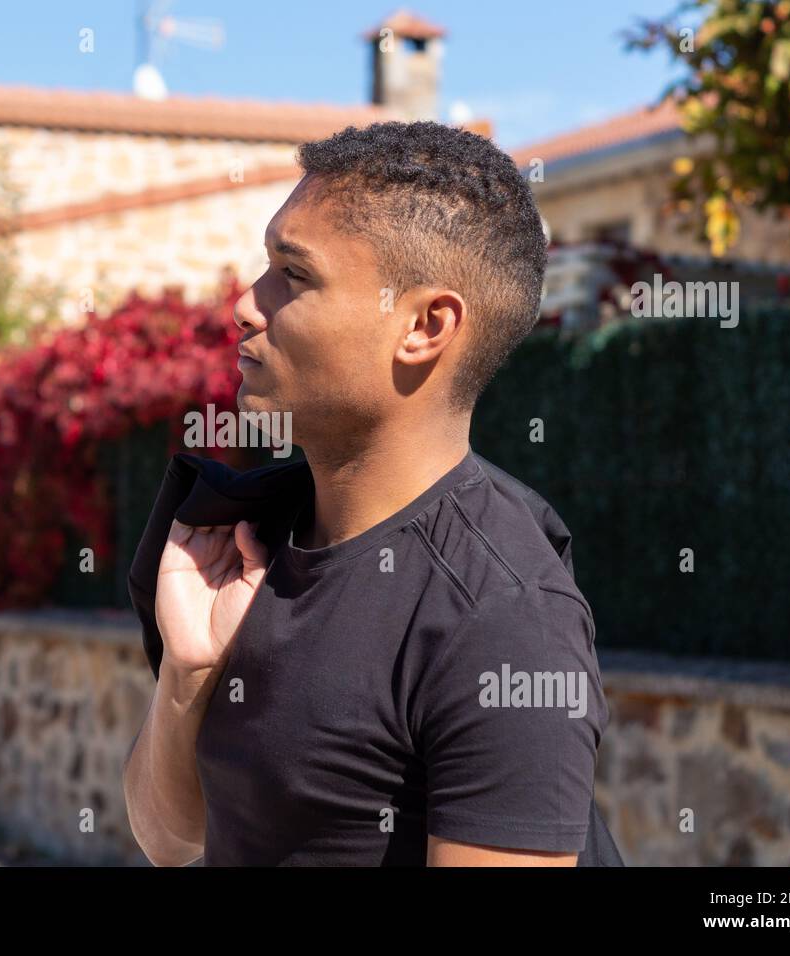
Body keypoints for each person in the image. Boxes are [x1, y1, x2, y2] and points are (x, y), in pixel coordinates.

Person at [122, 121, 613, 866]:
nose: (247, 305)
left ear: (423, 326)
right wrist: (189, 673)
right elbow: (168, 839)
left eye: (295, 274)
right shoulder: (249, 539)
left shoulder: (506, 621)